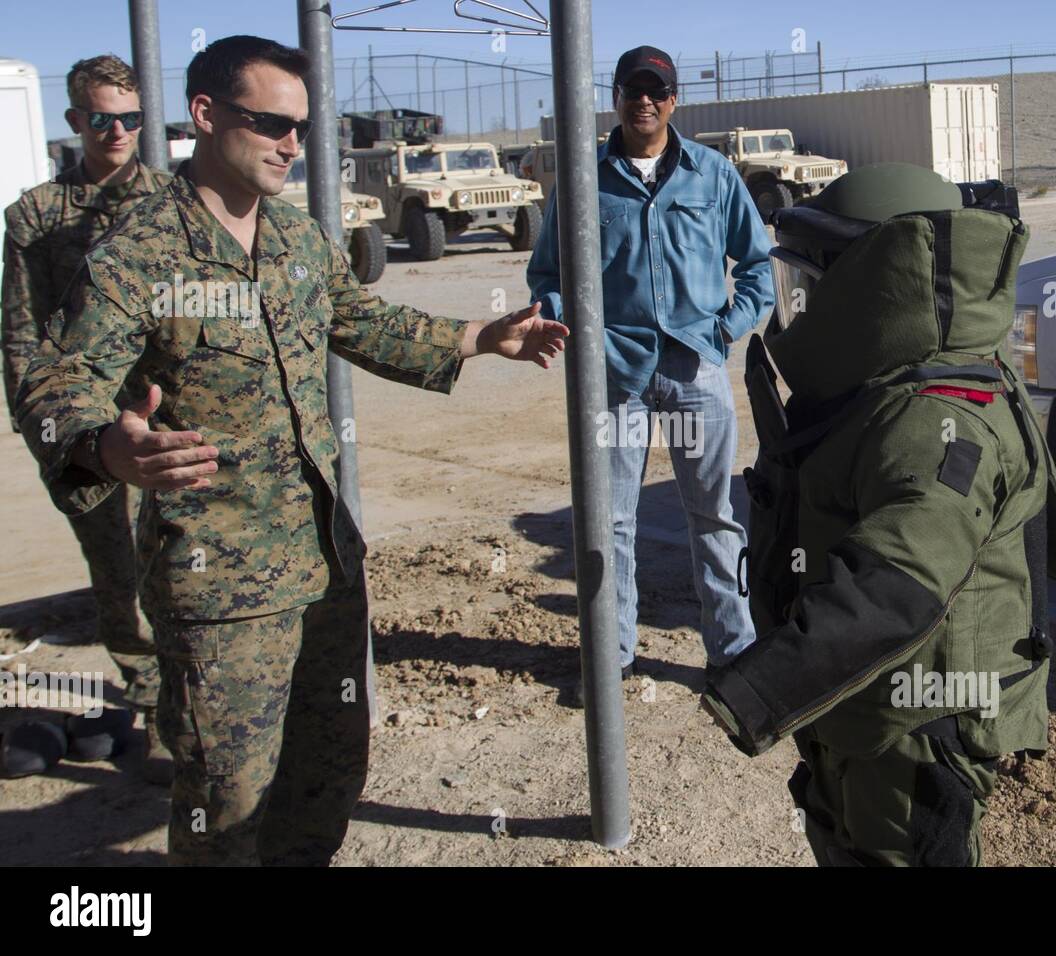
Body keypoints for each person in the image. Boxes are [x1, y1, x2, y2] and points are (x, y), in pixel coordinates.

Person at [15, 35, 567, 865]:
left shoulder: (296, 237)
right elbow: (56, 384)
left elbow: (363, 321)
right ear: (205, 115)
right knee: (226, 803)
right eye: (271, 122)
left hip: (324, 567)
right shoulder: (138, 253)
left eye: (304, 127)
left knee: (328, 773)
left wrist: (480, 336)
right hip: (221, 590)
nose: (291, 143)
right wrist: (106, 446)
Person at [699, 164, 1056, 866]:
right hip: (864, 707)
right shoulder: (886, 383)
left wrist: (757, 692)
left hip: (915, 726)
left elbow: (899, 583)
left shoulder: (941, 416)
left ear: (871, 284)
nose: (796, 308)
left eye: (809, 289)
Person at [527, 46, 773, 686]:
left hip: (696, 372)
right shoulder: (583, 179)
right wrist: (573, 328)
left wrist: (723, 330)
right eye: (633, 88)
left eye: (657, 90)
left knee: (716, 513)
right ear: (615, 96)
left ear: (673, 100)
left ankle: (734, 654)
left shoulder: (713, 175)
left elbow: (756, 268)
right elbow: (548, 273)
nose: (645, 100)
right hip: (615, 376)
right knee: (609, 520)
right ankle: (610, 658)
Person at [2, 54, 172, 782]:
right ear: (76, 120)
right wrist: (45, 432)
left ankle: (190, 714)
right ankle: (151, 703)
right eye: (103, 118)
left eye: (131, 118)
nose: (119, 131)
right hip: (86, 429)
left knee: (181, 567)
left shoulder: (175, 201)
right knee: (118, 576)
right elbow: (20, 333)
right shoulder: (36, 217)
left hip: (169, 416)